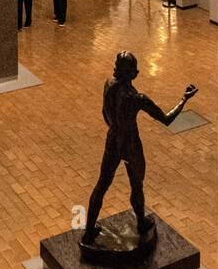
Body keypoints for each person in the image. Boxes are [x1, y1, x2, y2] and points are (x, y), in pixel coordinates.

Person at [82, 52, 197, 244]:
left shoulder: (108, 85)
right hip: (131, 144)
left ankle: (88, 231)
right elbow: (166, 119)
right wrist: (184, 99)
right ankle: (141, 222)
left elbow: (104, 112)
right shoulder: (137, 98)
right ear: (134, 74)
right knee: (136, 184)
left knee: (102, 185)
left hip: (113, 140)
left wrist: (114, 129)